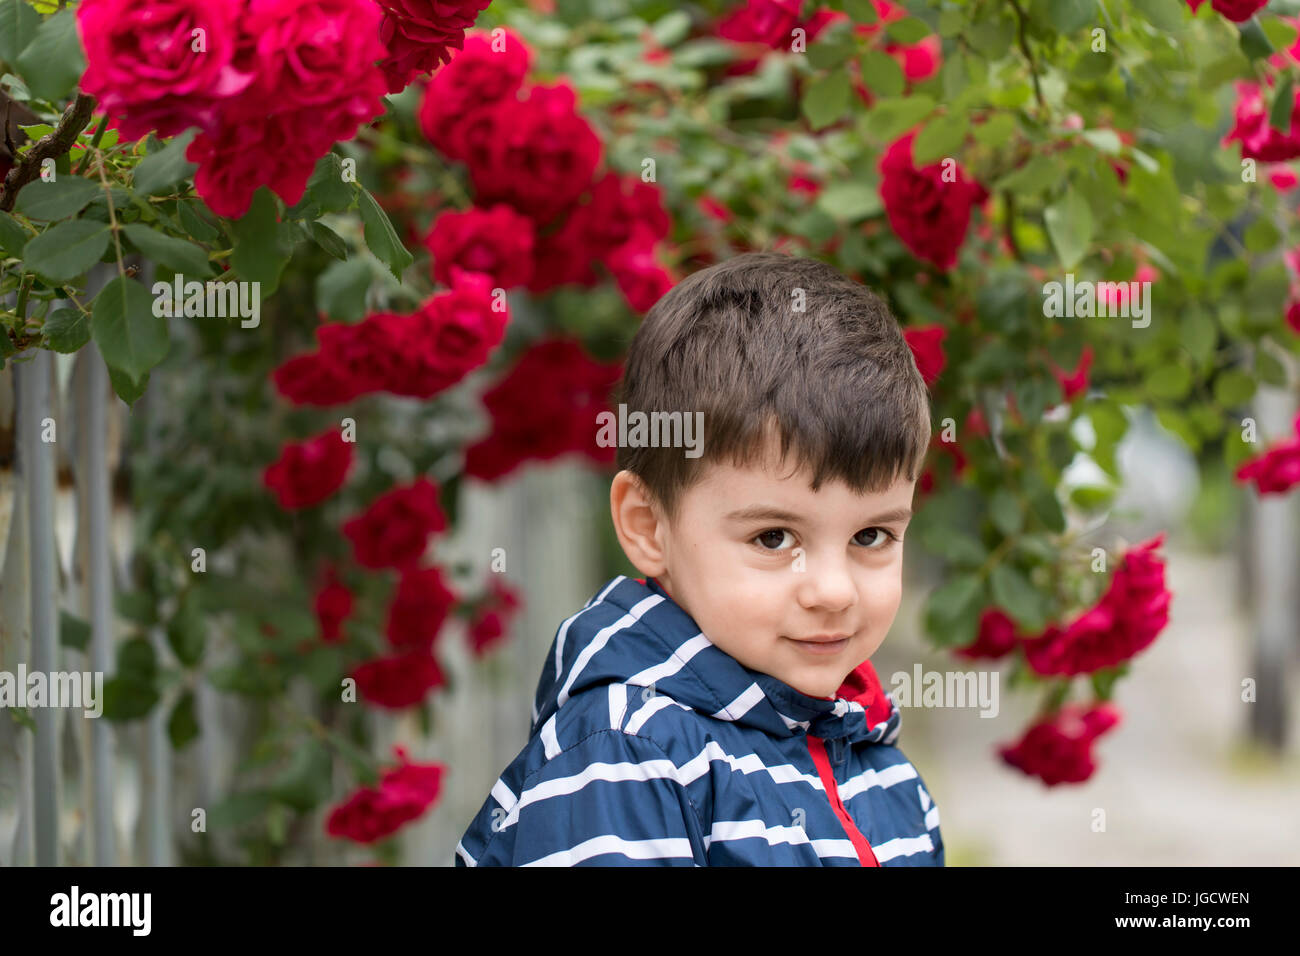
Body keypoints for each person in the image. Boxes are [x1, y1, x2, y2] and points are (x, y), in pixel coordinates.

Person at [454, 249, 943, 866]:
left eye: (870, 537)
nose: (833, 591)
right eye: (773, 538)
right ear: (648, 525)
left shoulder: (889, 780)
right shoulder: (628, 756)